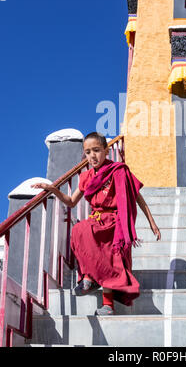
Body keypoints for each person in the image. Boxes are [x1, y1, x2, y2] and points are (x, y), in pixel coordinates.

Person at [31, 132, 161, 316]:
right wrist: (53, 189)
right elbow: (70, 201)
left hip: (116, 224)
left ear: (106, 151)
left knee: (110, 258)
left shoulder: (119, 171)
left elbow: (137, 197)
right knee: (79, 230)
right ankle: (89, 278)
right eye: (88, 152)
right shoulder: (86, 178)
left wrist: (152, 222)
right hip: (97, 221)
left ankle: (107, 305)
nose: (92, 156)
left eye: (97, 150)